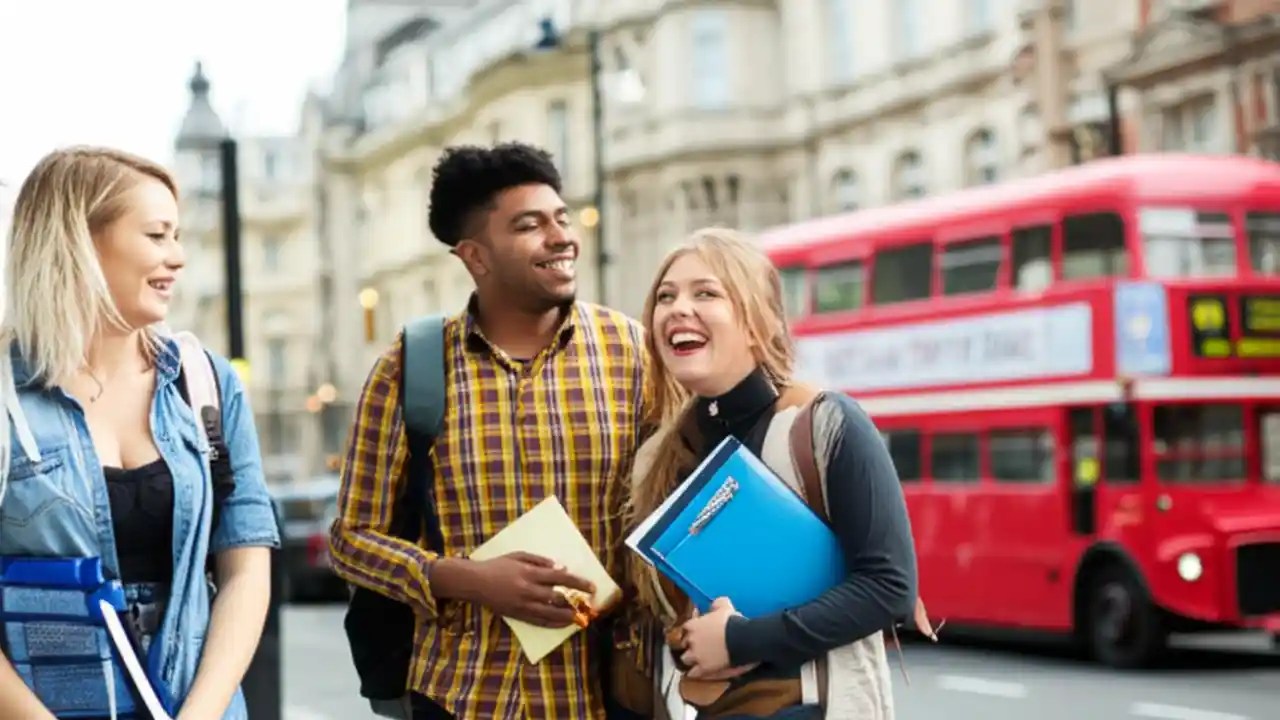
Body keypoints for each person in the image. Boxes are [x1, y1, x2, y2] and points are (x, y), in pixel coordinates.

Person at [328, 142, 648, 720]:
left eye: (562, 218)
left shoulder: (630, 350)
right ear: (475, 257)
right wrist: (468, 580)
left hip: (610, 695)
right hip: (464, 693)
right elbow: (351, 539)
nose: (560, 238)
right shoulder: (410, 366)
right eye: (530, 225)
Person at [0, 146, 281, 720]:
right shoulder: (6, 395)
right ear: (79, 242)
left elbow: (246, 569)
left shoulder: (205, 381)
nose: (177, 257)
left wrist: (201, 714)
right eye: (157, 235)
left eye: (177, 236)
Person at [624, 228, 922, 720]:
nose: (678, 308)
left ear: (756, 322)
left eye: (706, 293)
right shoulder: (659, 458)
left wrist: (740, 640)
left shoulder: (826, 422)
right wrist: (692, 645)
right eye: (665, 296)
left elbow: (889, 588)